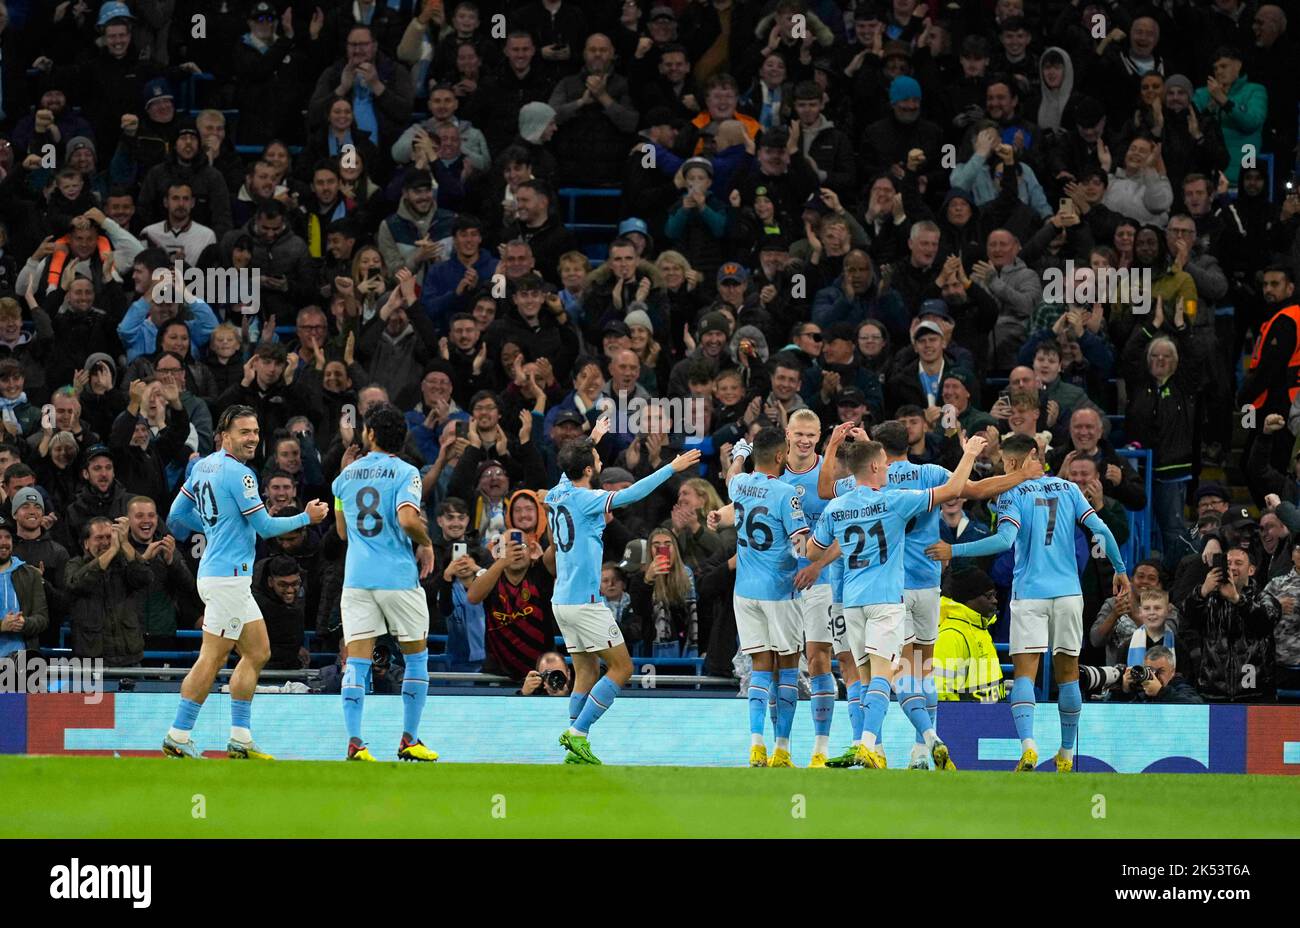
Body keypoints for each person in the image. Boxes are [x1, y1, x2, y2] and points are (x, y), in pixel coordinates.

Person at [926, 433, 1130, 773]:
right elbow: (1102, 530)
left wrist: (954, 550)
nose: (1005, 466)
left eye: (1006, 461)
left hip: (1030, 594)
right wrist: (1121, 569)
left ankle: (1029, 745)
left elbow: (1005, 540)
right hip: (1067, 594)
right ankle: (1066, 754)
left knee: (1024, 673)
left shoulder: (1011, 493)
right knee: (1067, 675)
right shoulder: (1068, 489)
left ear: (1017, 459)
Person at [800, 433, 985, 770]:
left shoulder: (836, 507)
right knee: (889, 675)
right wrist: (969, 453)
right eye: (884, 463)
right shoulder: (895, 501)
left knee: (866, 679)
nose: (888, 468)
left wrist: (841, 541)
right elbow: (953, 489)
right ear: (873, 466)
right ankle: (868, 747)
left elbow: (812, 551)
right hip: (885, 602)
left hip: (851, 603)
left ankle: (919, 741)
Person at [161, 405, 330, 759]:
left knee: (257, 652)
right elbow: (266, 527)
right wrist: (306, 517)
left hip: (220, 575)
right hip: (228, 579)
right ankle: (178, 734)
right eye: (244, 432)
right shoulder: (242, 475)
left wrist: (212, 528)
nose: (252, 438)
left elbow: (176, 515)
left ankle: (240, 738)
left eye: (255, 431)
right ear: (225, 435)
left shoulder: (202, 467)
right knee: (212, 658)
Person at [544, 417, 700, 764]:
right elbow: (633, 493)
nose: (601, 463)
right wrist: (671, 467)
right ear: (588, 469)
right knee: (621, 668)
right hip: (585, 603)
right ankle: (578, 733)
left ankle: (575, 748)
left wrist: (594, 437)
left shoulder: (557, 492)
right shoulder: (588, 499)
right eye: (597, 460)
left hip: (562, 601)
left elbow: (575, 463)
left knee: (585, 671)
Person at [332, 403, 438, 762]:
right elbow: (408, 519)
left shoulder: (344, 477)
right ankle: (409, 740)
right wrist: (426, 544)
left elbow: (342, 531)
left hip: (357, 579)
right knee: (416, 658)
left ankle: (355, 742)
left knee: (357, 662)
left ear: (371, 434)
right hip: (396, 578)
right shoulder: (406, 472)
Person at [1111, 645, 1204, 704]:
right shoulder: (1140, 688)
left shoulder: (1180, 687)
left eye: (1160, 671)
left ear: (1172, 672)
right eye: (1150, 670)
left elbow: (1198, 705)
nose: (1155, 676)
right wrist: (1124, 691)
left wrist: (1160, 692)